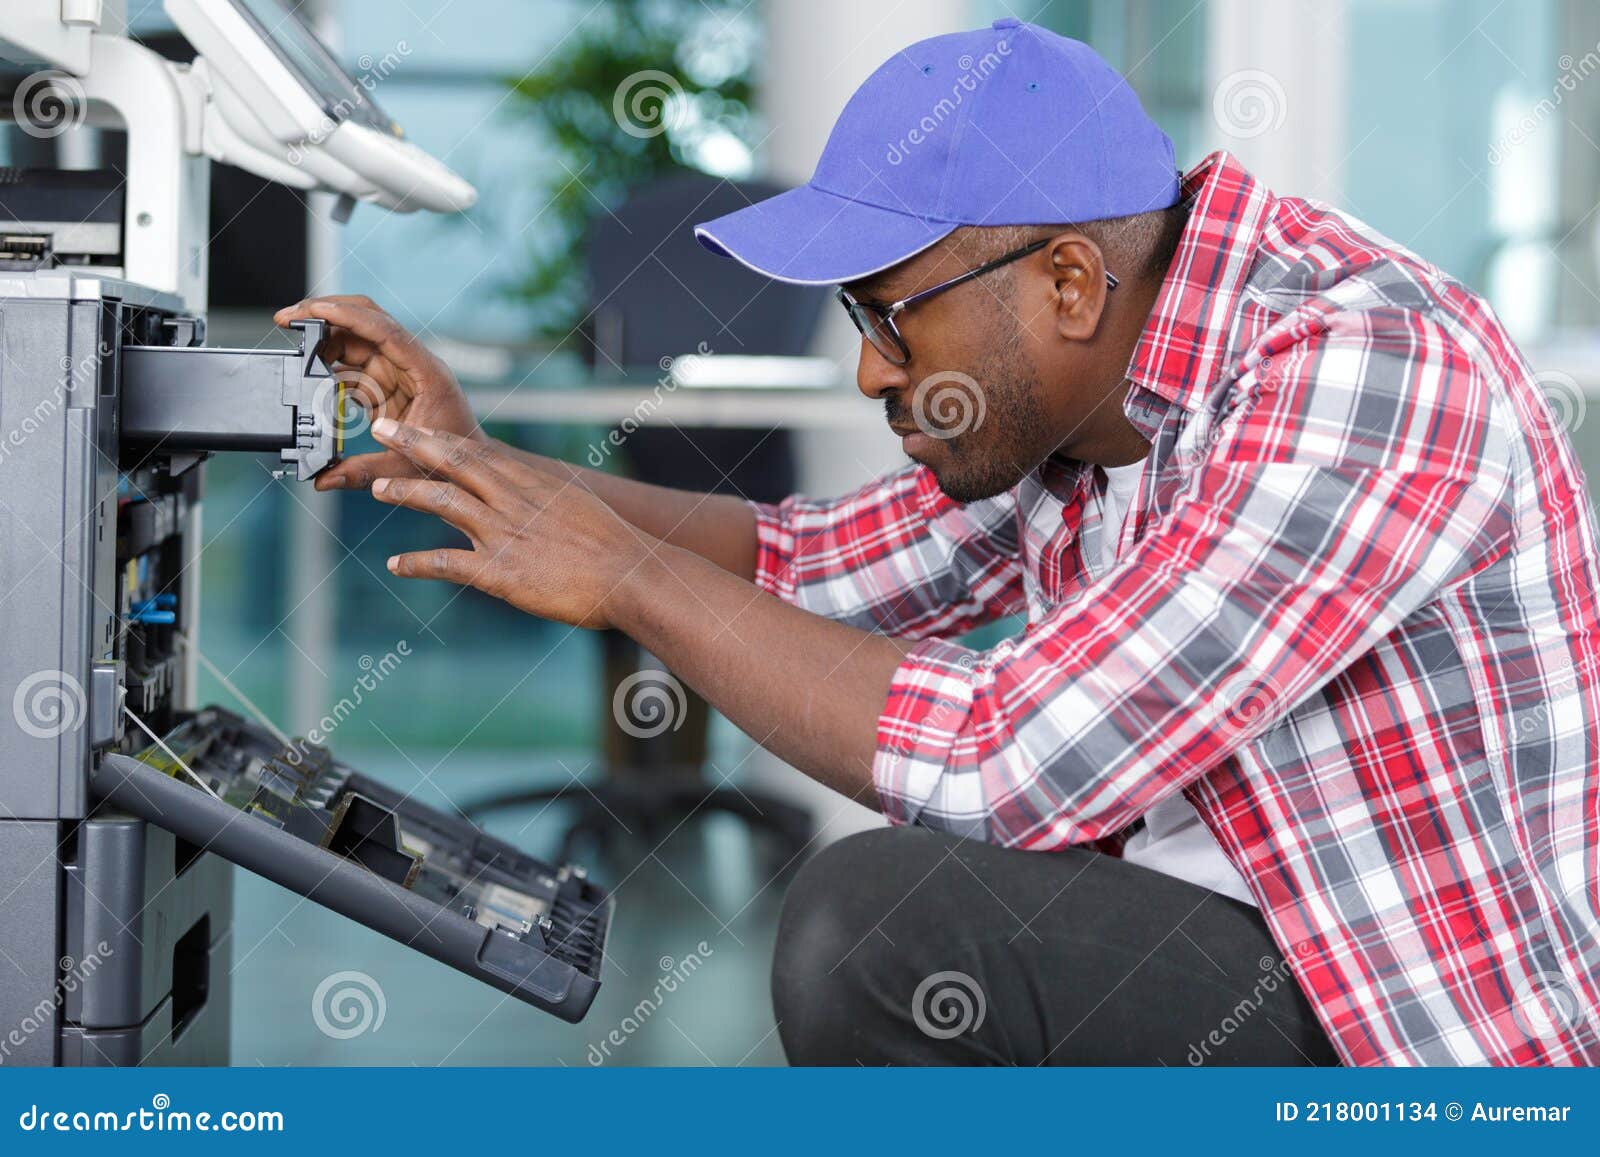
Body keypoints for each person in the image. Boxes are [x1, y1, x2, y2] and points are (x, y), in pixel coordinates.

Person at [275, 20, 1600, 1066]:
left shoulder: (1361, 366)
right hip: (1255, 940)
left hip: (1420, 1038)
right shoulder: (1095, 398)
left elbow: (1005, 756)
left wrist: (623, 571)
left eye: (892, 314)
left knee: (887, 930)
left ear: (1068, 283)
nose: (867, 371)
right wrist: (479, 457)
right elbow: (800, 563)